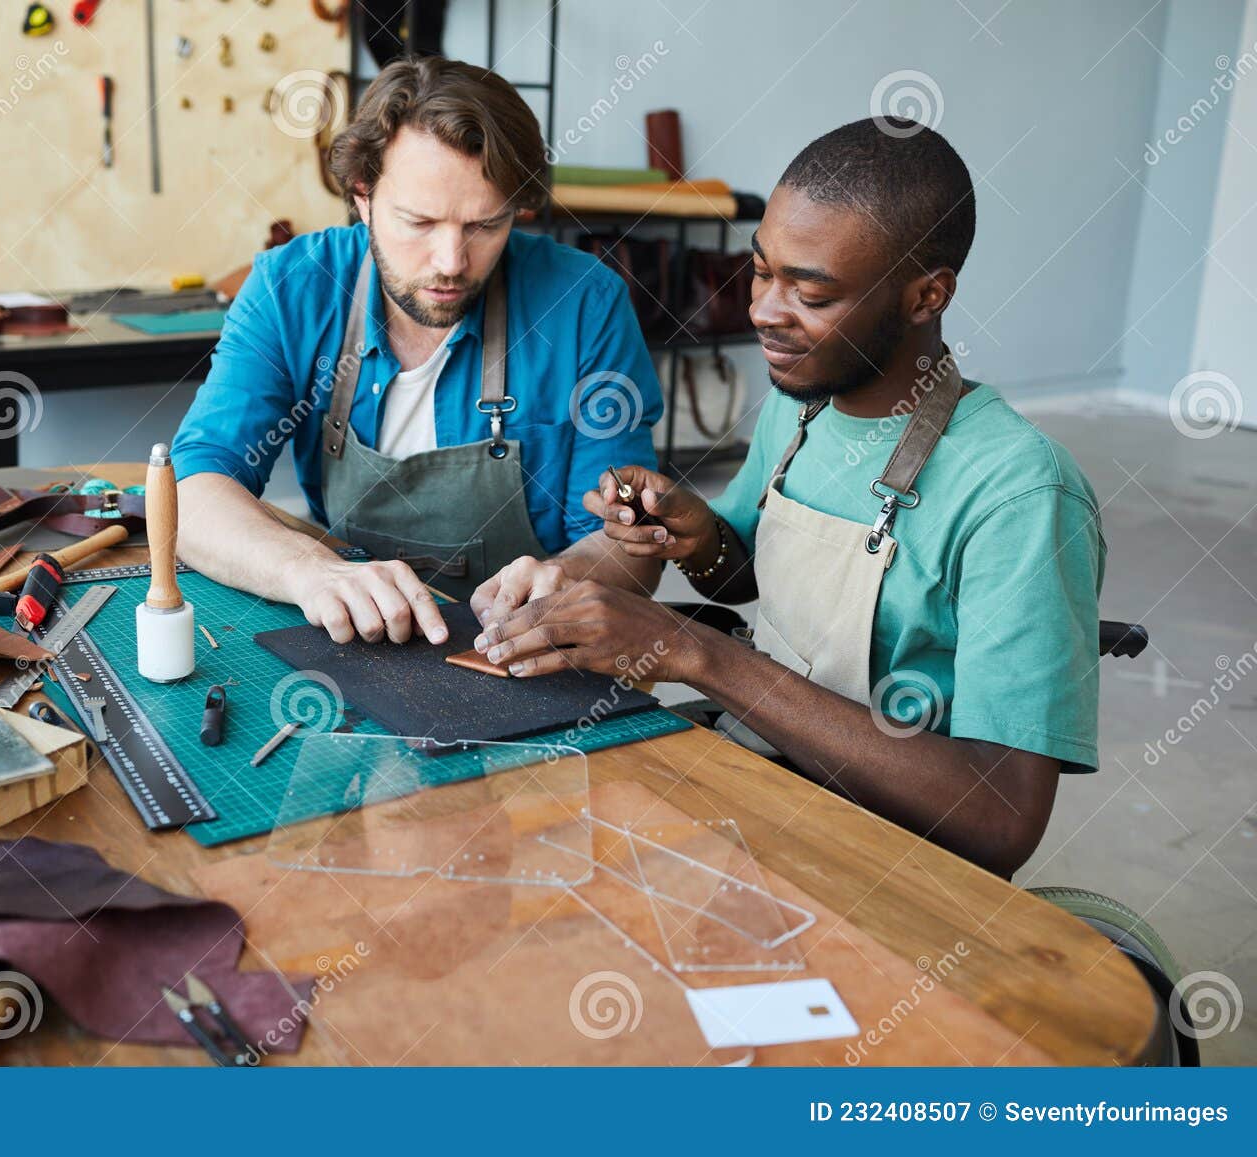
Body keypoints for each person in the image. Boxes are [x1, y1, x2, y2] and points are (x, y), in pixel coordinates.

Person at [473, 117, 1107, 878]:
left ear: (925, 295)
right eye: (762, 271)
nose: (764, 311)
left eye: (810, 292)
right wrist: (699, 534)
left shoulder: (1019, 493)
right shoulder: (804, 402)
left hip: (894, 855)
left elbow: (999, 818)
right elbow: (747, 579)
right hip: (760, 771)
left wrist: (695, 652)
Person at [169, 57, 665, 646]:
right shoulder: (292, 287)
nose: (452, 262)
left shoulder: (585, 302)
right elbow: (192, 491)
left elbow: (629, 540)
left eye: (485, 225)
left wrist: (570, 574)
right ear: (362, 196)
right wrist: (309, 571)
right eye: (419, 222)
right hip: (355, 645)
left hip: (533, 651)